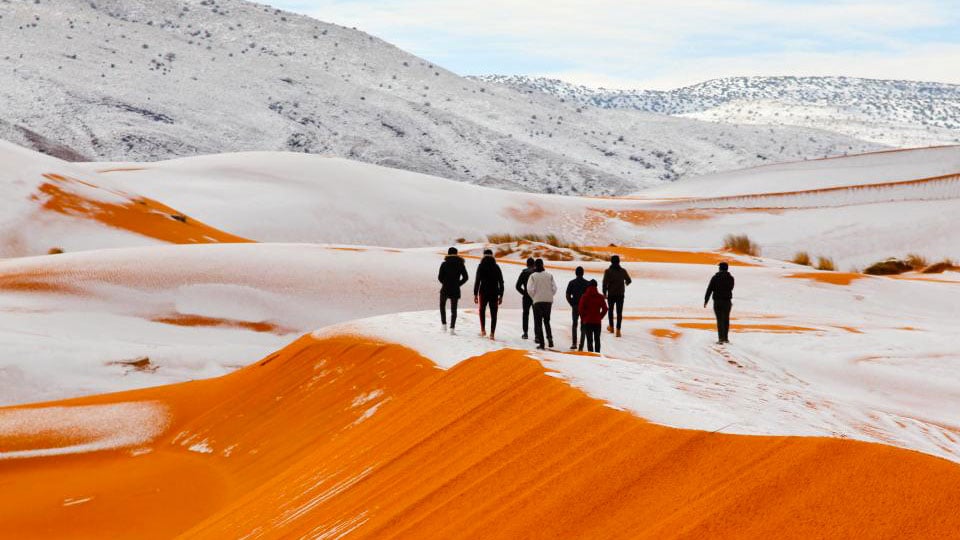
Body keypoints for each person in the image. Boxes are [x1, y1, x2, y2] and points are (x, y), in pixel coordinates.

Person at [473, 249, 504, 340]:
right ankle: (492, 334)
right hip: (494, 292)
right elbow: (501, 282)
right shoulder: (496, 267)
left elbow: (477, 281)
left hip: (483, 292)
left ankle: (483, 330)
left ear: (483, 256)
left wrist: (475, 294)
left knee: (482, 310)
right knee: (494, 314)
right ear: (492, 256)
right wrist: (501, 295)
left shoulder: (481, 266)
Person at [526, 258, 556, 350]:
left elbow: (529, 289)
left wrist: (534, 297)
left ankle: (542, 344)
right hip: (548, 301)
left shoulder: (533, 276)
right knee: (547, 321)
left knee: (538, 323)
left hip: (537, 301)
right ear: (543, 265)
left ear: (535, 266)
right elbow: (554, 288)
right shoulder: (549, 275)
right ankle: (550, 339)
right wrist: (549, 295)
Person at [437, 247, 468, 334]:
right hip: (455, 289)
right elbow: (466, 277)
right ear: (456, 253)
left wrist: (445, 283)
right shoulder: (461, 264)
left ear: (448, 253)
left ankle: (444, 325)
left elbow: (439, 277)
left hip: (445, 288)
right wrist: (458, 284)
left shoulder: (444, 264)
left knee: (442, 306)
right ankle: (452, 329)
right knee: (454, 310)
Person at [704, 261, 735, 344]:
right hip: (727, 301)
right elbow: (731, 288)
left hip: (717, 301)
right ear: (727, 268)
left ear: (720, 268)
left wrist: (706, 300)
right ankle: (726, 338)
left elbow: (709, 289)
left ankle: (721, 338)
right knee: (726, 319)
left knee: (720, 320)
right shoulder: (731, 278)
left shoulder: (715, 277)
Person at [602, 255, 632, 337]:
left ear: (611, 262)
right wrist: (625, 284)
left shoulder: (607, 271)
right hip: (620, 294)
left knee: (610, 311)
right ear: (619, 262)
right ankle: (618, 330)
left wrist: (604, 293)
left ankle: (611, 327)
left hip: (611, 294)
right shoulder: (623, 271)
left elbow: (604, 283)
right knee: (619, 313)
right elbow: (629, 280)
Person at [577, 279, 608, 353]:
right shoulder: (600, 297)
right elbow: (605, 309)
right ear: (596, 286)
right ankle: (597, 354)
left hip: (587, 321)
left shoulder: (584, 296)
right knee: (597, 339)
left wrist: (584, 318)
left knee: (589, 340)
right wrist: (600, 317)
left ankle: (591, 355)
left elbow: (580, 309)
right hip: (597, 322)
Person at [565, 266, 590, 350]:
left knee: (574, 324)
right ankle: (581, 345)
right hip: (584, 307)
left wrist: (571, 303)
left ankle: (574, 343)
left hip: (575, 305)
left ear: (576, 273)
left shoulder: (572, 282)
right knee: (583, 325)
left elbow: (568, 295)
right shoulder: (587, 283)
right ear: (583, 273)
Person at [515, 257, 536, 339]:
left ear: (527, 264)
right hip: (535, 296)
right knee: (536, 316)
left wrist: (524, 293)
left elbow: (517, 286)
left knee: (525, 314)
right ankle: (537, 335)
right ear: (534, 264)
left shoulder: (524, 273)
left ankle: (525, 333)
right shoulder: (536, 273)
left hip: (526, 296)